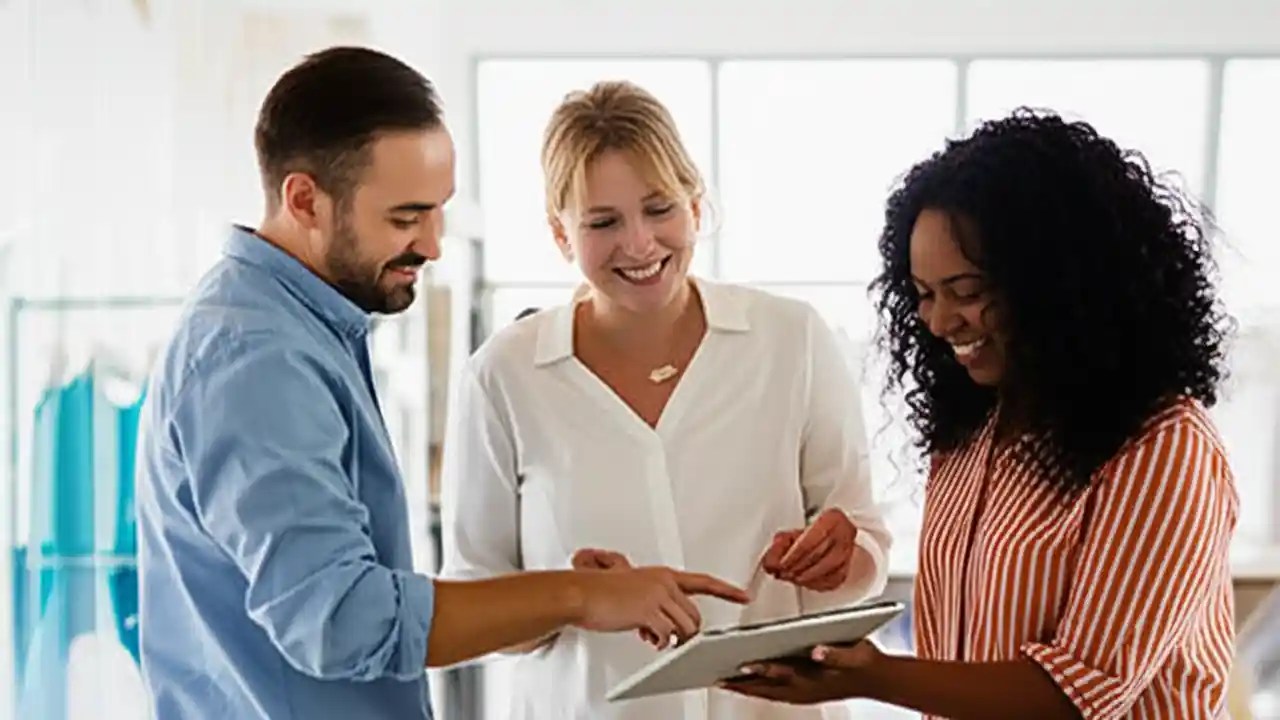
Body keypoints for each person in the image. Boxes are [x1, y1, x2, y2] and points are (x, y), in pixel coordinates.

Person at [134, 47, 747, 720]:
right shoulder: (258, 357)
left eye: (437, 211)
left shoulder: (301, 325)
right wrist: (576, 598)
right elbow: (339, 621)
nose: (432, 244)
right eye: (405, 217)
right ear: (305, 200)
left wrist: (561, 590)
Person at [721, 109, 1238, 719]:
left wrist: (876, 676)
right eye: (923, 295)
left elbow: (1081, 694)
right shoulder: (971, 432)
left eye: (967, 292)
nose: (940, 323)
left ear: (1060, 283)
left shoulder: (1163, 447)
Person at [440, 80, 891, 719]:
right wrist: (572, 595)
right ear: (561, 234)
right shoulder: (503, 376)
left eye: (660, 209)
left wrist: (844, 558)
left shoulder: (793, 340)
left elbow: (864, 543)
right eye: (603, 222)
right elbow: (470, 612)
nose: (640, 244)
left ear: (696, 207)